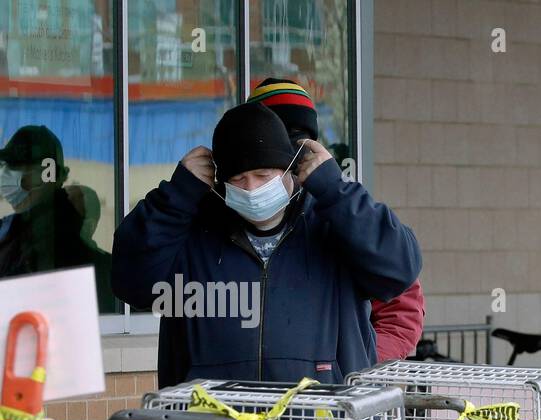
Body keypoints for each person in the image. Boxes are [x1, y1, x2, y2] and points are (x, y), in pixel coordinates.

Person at [112, 100, 420, 385]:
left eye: (263, 174)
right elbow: (131, 283)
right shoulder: (194, 230)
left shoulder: (332, 224)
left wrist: (336, 190)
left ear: (290, 170)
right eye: (238, 180)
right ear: (221, 181)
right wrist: (175, 198)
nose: (251, 188)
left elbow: (400, 270)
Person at [250, 77, 424, 361]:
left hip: (334, 397)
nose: (288, 159)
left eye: (299, 143)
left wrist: (360, 366)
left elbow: (401, 309)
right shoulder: (225, 211)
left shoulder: (343, 211)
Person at [0, 125, 113, 311]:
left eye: (19, 165)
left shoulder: (55, 240)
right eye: (6, 165)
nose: (6, 175)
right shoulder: (11, 230)